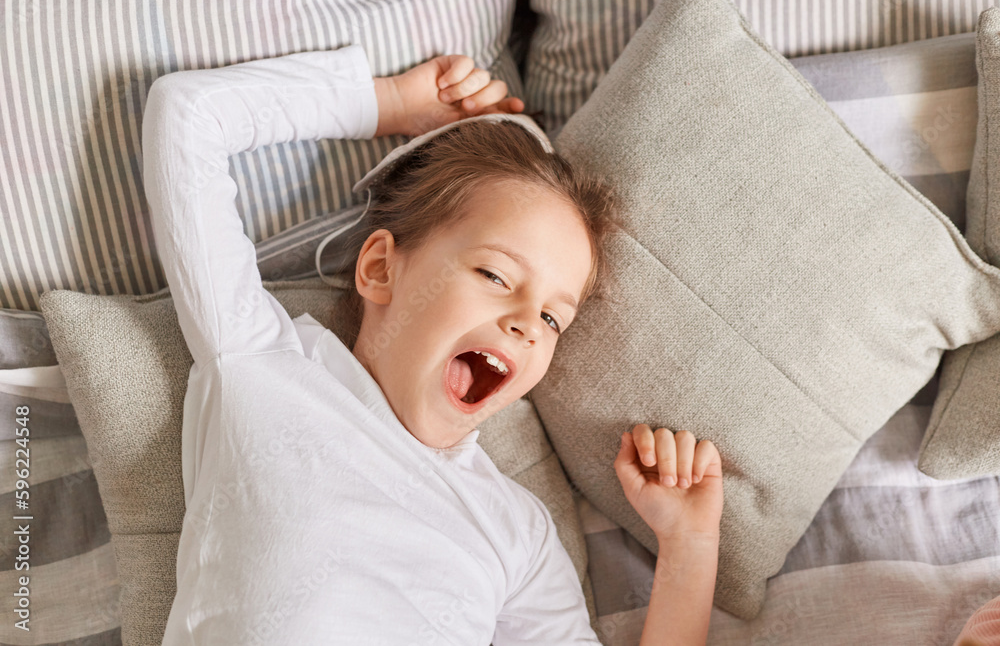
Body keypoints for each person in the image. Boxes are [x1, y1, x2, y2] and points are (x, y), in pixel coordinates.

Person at [141, 42, 723, 645]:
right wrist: (386, 103)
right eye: (495, 275)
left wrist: (690, 545)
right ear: (380, 269)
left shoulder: (515, 534)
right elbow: (188, 115)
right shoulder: (262, 365)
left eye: (553, 318)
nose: (528, 323)